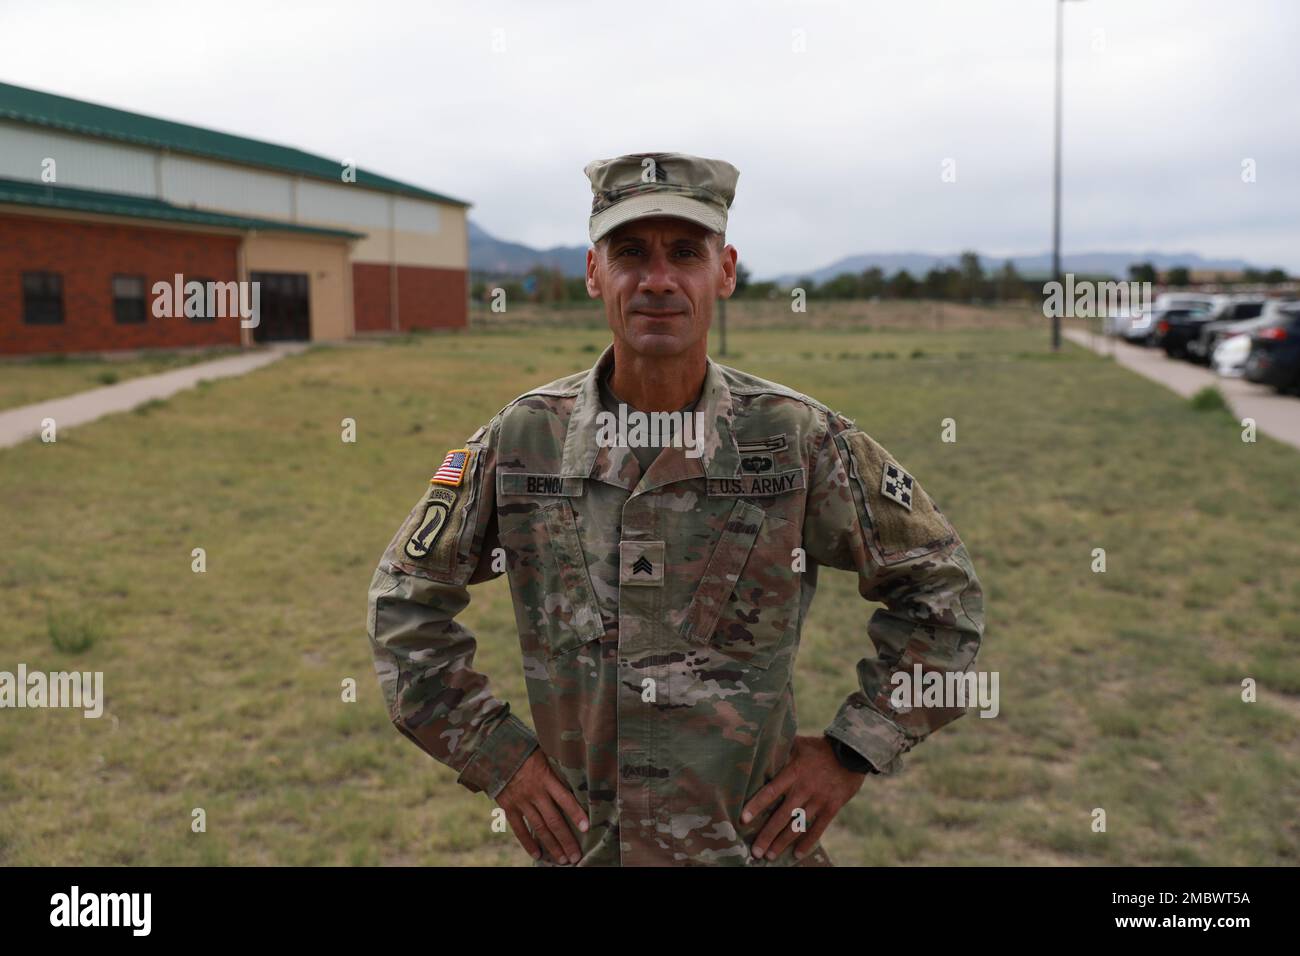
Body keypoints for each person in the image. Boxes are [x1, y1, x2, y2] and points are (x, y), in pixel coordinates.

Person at [365, 152, 985, 866]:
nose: (657, 280)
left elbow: (943, 593)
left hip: (747, 851)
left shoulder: (796, 440)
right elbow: (403, 604)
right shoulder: (526, 439)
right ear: (594, 272)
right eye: (630, 253)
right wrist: (498, 756)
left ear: (724, 271)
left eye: (685, 253)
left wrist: (851, 751)